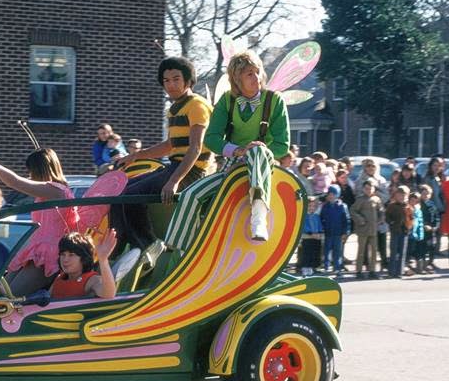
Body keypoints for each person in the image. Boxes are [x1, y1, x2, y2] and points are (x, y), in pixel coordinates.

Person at [112, 56, 212, 250]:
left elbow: (195, 148)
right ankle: (118, 245)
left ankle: (146, 245)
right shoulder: (174, 110)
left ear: (188, 80)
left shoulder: (197, 106)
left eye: (176, 79)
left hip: (191, 172)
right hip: (174, 166)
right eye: (166, 81)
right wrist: (135, 155)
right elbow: (170, 145)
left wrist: (173, 181)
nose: (171, 85)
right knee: (120, 191)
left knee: (132, 195)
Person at [0, 131, 78, 295]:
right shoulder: (49, 191)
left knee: (10, 294)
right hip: (36, 250)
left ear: (41, 170)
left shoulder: (57, 191)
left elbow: (14, 181)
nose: (30, 176)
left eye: (31, 171)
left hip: (49, 254)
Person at [204, 51, 290, 241]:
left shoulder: (274, 100)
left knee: (257, 150)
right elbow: (210, 139)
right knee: (191, 195)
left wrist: (256, 150)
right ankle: (176, 245)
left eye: (257, 72)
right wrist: (237, 150)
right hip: (233, 163)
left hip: (264, 164)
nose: (256, 77)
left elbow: (282, 145)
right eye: (249, 74)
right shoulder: (227, 100)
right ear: (237, 79)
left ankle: (259, 218)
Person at [49, 230, 118, 300]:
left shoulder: (92, 279)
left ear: (84, 258)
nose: (65, 259)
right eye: (63, 254)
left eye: (71, 255)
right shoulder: (59, 278)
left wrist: (103, 260)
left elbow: (109, 295)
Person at [350, 180, 382, 279]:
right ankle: (359, 271)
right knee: (361, 251)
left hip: (373, 229)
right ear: (363, 189)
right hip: (363, 229)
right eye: (366, 188)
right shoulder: (360, 200)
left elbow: (381, 210)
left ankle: (372, 270)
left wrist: (380, 219)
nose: (368, 190)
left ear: (374, 189)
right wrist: (360, 219)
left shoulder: (377, 199)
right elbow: (353, 211)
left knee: (373, 251)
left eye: (370, 188)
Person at [320, 184, 350, 276]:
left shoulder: (342, 206)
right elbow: (321, 219)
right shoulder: (325, 206)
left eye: (333, 194)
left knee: (338, 252)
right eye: (329, 194)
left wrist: (346, 232)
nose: (330, 196)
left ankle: (337, 268)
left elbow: (347, 220)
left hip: (338, 233)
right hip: (328, 233)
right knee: (327, 251)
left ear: (337, 195)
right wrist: (322, 230)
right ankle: (326, 267)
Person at [385, 185, 412, 278]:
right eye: (400, 195)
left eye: (404, 195)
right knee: (393, 251)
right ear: (396, 195)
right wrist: (391, 223)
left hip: (404, 232)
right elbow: (387, 217)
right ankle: (391, 272)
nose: (402, 197)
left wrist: (409, 227)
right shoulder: (392, 206)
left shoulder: (408, 207)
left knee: (402, 252)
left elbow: (411, 219)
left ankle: (399, 272)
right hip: (395, 231)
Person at [297, 196, 323, 277]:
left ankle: (311, 267)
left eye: (313, 206)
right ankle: (304, 267)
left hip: (315, 238)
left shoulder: (316, 216)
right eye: (309, 206)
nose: (311, 208)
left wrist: (319, 233)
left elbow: (319, 225)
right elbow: (304, 226)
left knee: (313, 253)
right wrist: (311, 233)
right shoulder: (304, 216)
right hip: (306, 237)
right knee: (306, 253)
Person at [419, 184, 440, 273]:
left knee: (432, 247)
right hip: (422, 229)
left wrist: (435, 227)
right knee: (423, 247)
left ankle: (429, 263)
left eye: (428, 194)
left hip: (431, 230)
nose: (426, 196)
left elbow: (437, 217)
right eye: (424, 194)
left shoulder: (432, 204)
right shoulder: (419, 205)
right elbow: (418, 217)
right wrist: (424, 225)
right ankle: (422, 265)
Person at [407, 190, 426, 274]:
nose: (414, 202)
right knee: (408, 252)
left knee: (419, 252)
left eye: (416, 200)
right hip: (409, 235)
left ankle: (420, 268)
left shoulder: (418, 210)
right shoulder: (407, 209)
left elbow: (420, 223)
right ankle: (406, 268)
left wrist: (420, 234)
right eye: (412, 200)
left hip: (417, 235)